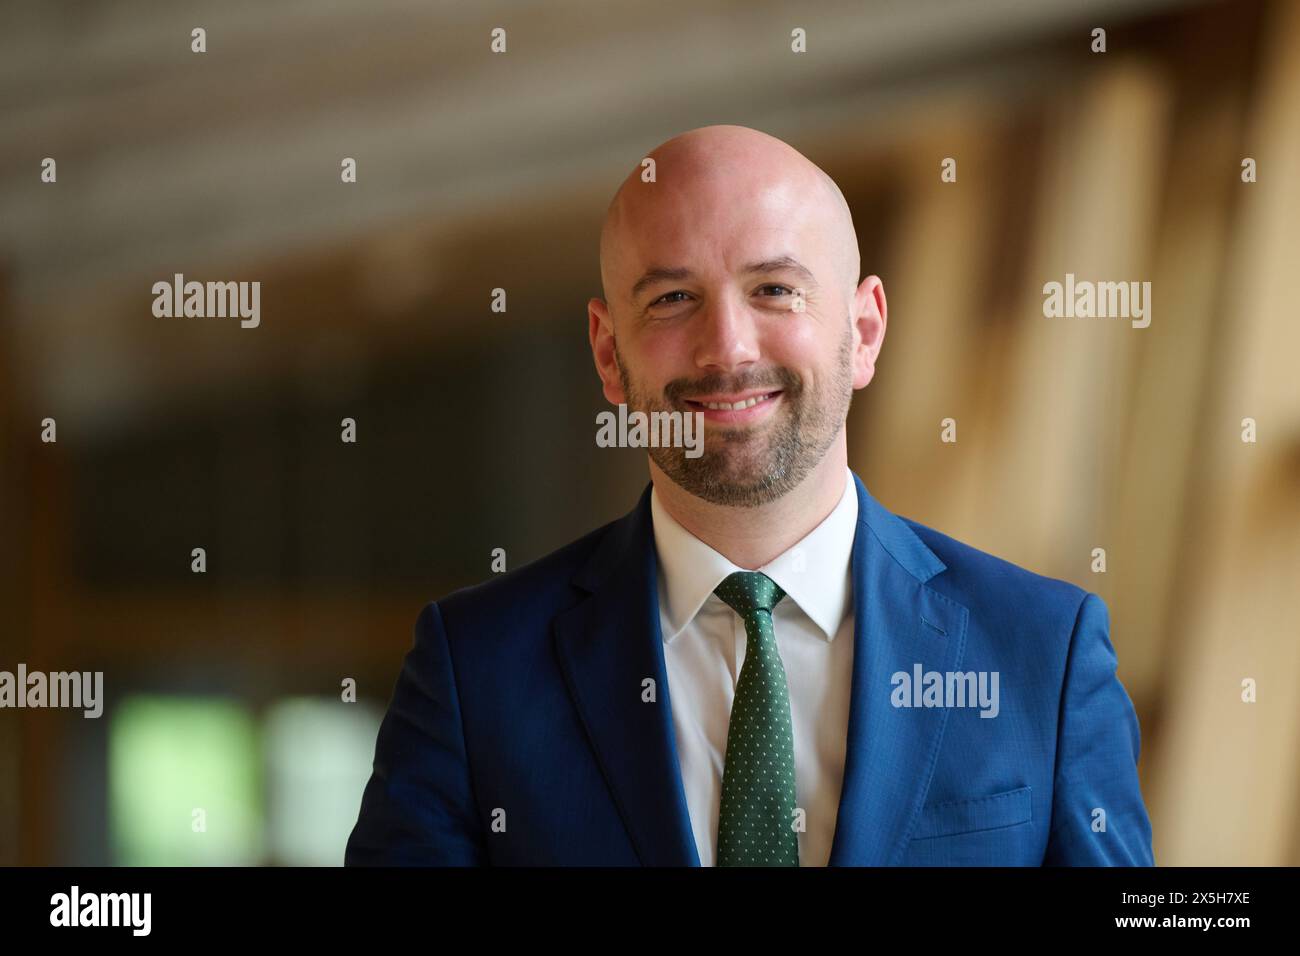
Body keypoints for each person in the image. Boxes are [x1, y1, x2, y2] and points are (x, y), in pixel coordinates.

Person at [345, 124, 1154, 866]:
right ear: (606, 351)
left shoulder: (1042, 654)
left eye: (774, 289)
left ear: (864, 331)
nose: (726, 347)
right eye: (671, 298)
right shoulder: (474, 668)